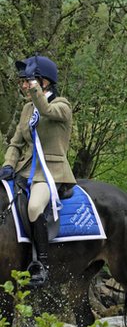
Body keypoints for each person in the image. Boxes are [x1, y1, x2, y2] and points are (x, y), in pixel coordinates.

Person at [0, 56, 75, 288]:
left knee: (34, 207)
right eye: (23, 82)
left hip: (50, 173)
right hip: (24, 171)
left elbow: (46, 109)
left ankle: (41, 265)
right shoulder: (27, 109)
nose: (24, 86)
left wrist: (34, 91)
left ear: (45, 82)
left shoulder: (62, 106)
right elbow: (16, 143)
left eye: (28, 81)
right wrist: (8, 164)